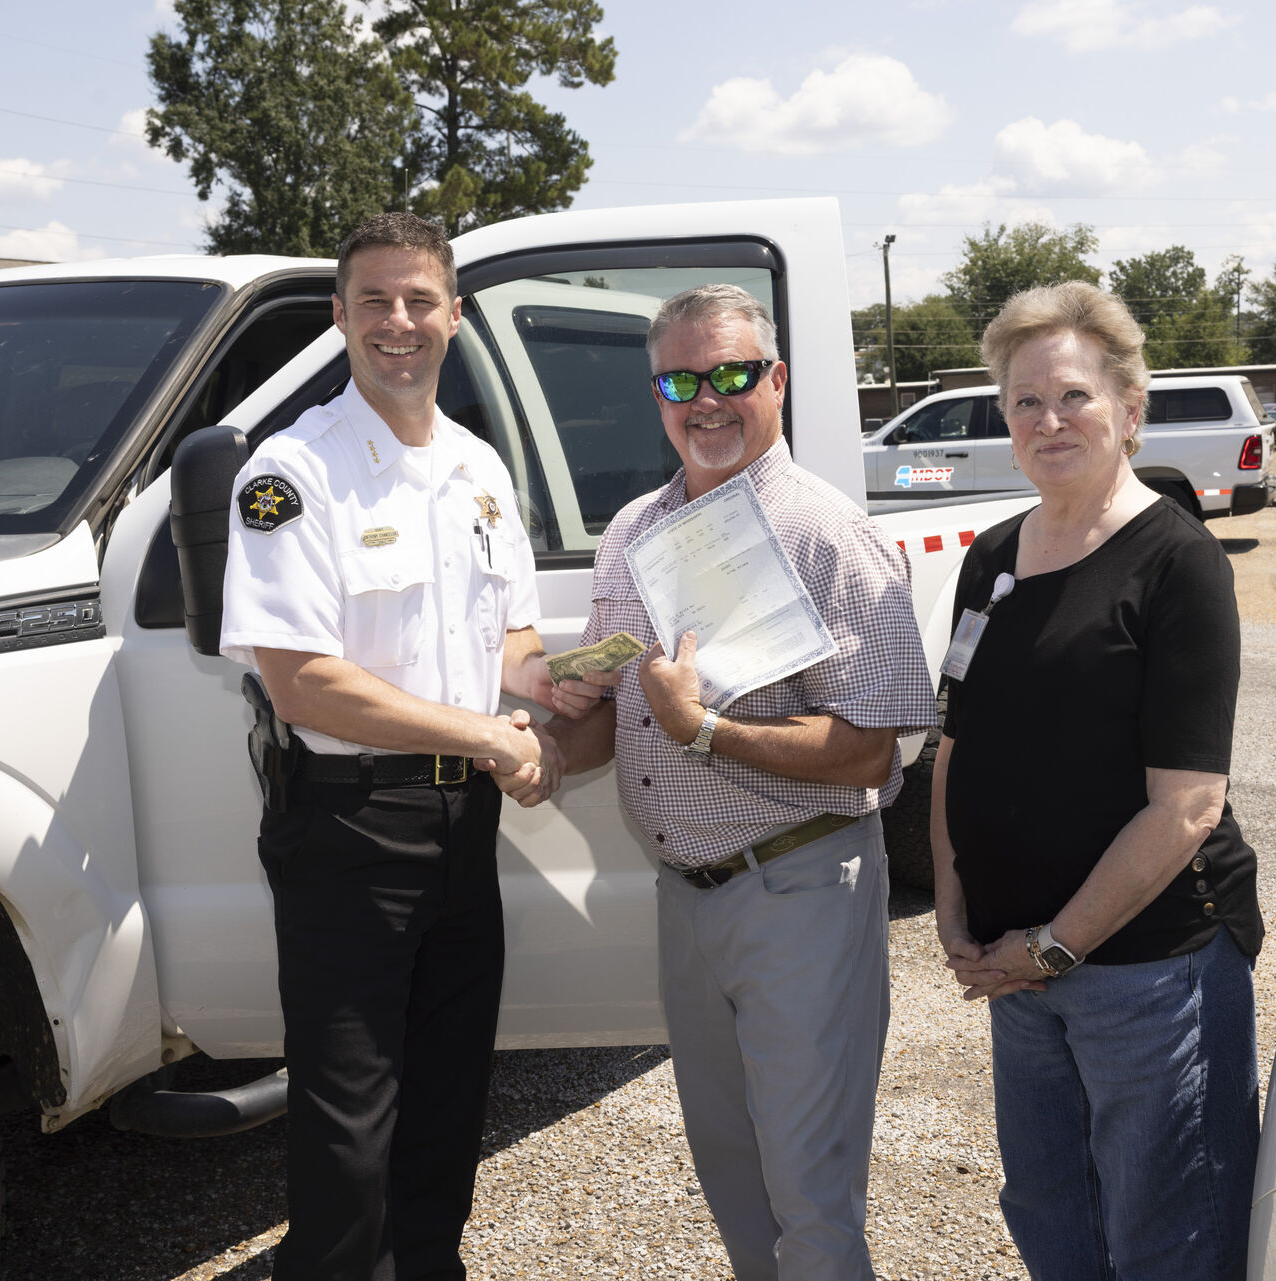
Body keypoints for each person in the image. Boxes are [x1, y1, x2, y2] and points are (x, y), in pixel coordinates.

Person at [218, 212, 599, 1281]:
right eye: (375, 301)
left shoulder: (478, 467)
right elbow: (304, 681)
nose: (400, 322)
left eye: (420, 299)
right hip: (349, 826)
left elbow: (510, 641)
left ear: (456, 317)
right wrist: (487, 731)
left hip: (461, 823)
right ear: (339, 319)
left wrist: (558, 685)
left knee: (445, 1101)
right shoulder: (293, 472)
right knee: (349, 1125)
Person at [536, 283, 938, 1280]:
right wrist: (539, 748)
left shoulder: (828, 536)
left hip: (800, 892)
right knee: (734, 1176)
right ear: (657, 393)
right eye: (681, 379)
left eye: (731, 375)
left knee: (809, 1197)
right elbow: (617, 710)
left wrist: (704, 729)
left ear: (779, 381)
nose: (706, 400)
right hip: (690, 898)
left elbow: (867, 755)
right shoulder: (634, 531)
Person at [930, 280, 1263, 1280]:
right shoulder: (991, 558)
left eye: (1073, 395)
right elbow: (956, 744)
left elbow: (1188, 805)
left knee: (1167, 1236)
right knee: (1051, 1217)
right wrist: (954, 909)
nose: (1048, 420)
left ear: (1131, 409)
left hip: (1147, 974)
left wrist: (1056, 949)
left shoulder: (1178, 564)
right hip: (1016, 967)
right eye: (1024, 401)